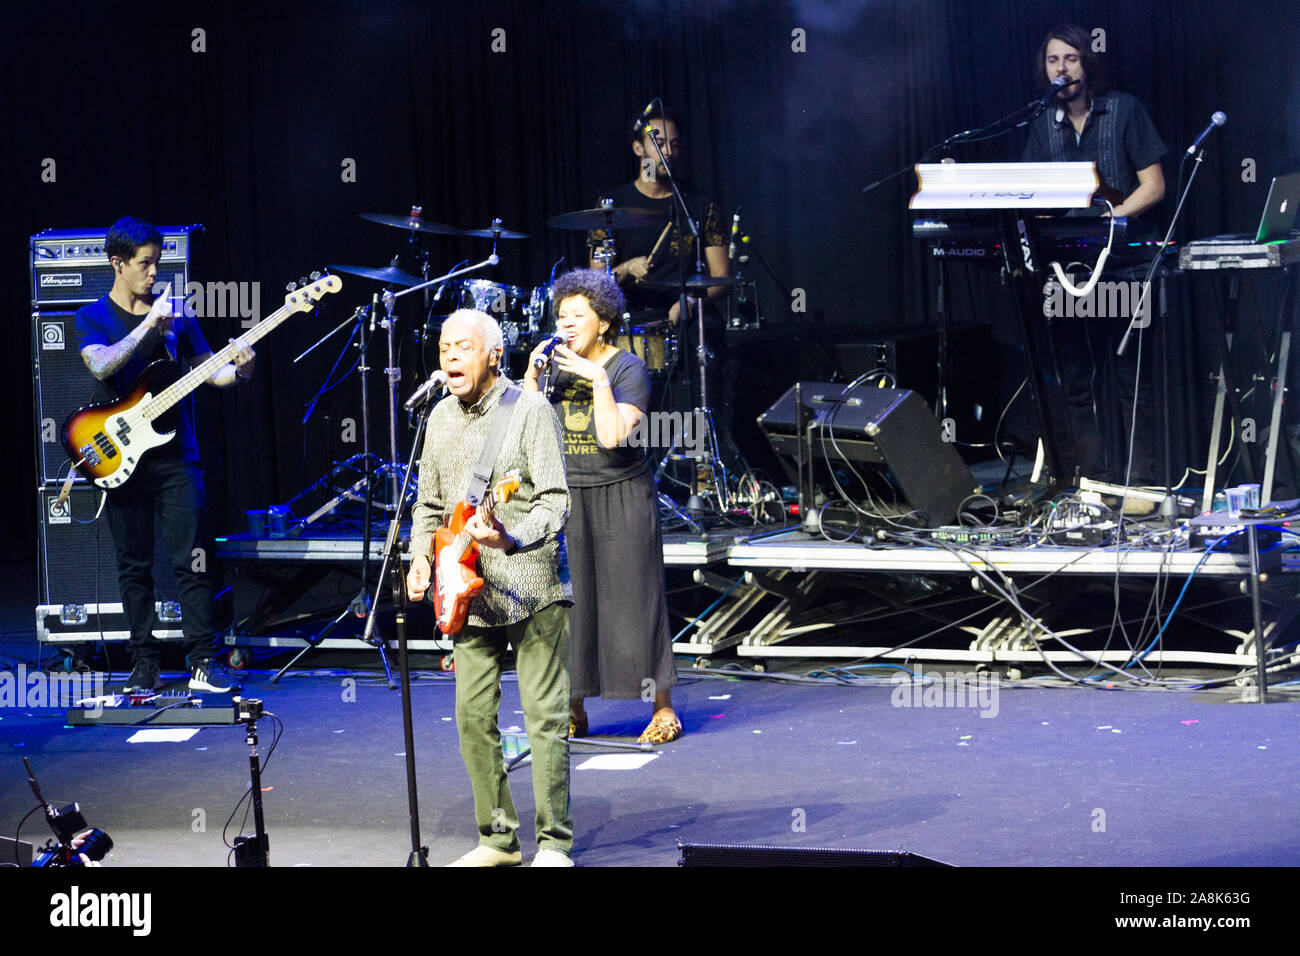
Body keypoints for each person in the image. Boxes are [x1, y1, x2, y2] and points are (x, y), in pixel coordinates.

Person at [406, 309, 574, 867]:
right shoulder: (438, 419)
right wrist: (418, 560)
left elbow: (556, 499)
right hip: (469, 595)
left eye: (463, 347)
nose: (450, 356)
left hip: (531, 584)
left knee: (544, 719)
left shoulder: (530, 410)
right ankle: (498, 840)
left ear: (494, 355)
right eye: (443, 348)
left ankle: (554, 844)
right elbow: (428, 505)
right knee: (473, 718)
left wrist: (510, 538)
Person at [75, 217, 254, 694]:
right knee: (133, 565)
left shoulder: (177, 315)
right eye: (145, 264)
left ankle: (202, 662)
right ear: (118, 264)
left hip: (177, 455)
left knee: (192, 559)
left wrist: (241, 370)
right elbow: (100, 363)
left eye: (157, 263)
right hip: (120, 457)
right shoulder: (92, 316)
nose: (154, 273)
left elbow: (209, 373)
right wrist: (147, 328)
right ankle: (144, 664)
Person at [523, 269, 681, 744]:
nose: (567, 324)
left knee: (637, 601)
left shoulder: (626, 368)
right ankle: (574, 707)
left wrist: (597, 379)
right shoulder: (552, 365)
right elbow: (530, 433)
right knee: (574, 605)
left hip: (622, 493)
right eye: (562, 315)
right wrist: (531, 378)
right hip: (569, 495)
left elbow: (613, 436)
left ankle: (664, 707)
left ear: (604, 321)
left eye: (578, 315)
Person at [1022, 24, 1167, 490]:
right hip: (1068, 271)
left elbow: (1155, 185)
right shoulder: (1042, 123)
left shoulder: (1123, 109)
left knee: (1131, 380)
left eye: (1071, 59)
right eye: (1052, 61)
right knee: (1075, 381)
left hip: (1126, 264)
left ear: (1087, 63)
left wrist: (1112, 220)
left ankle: (1140, 484)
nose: (1062, 69)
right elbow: (1031, 193)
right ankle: (1089, 483)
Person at [587, 105, 735, 458]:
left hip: (685, 313)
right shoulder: (612, 206)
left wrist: (689, 300)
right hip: (631, 315)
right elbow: (596, 280)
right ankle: (629, 457)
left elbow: (721, 277)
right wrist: (624, 268)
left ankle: (699, 465)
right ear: (639, 149)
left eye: (674, 144)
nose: (668, 152)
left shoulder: (698, 204)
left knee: (709, 338)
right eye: (659, 144)